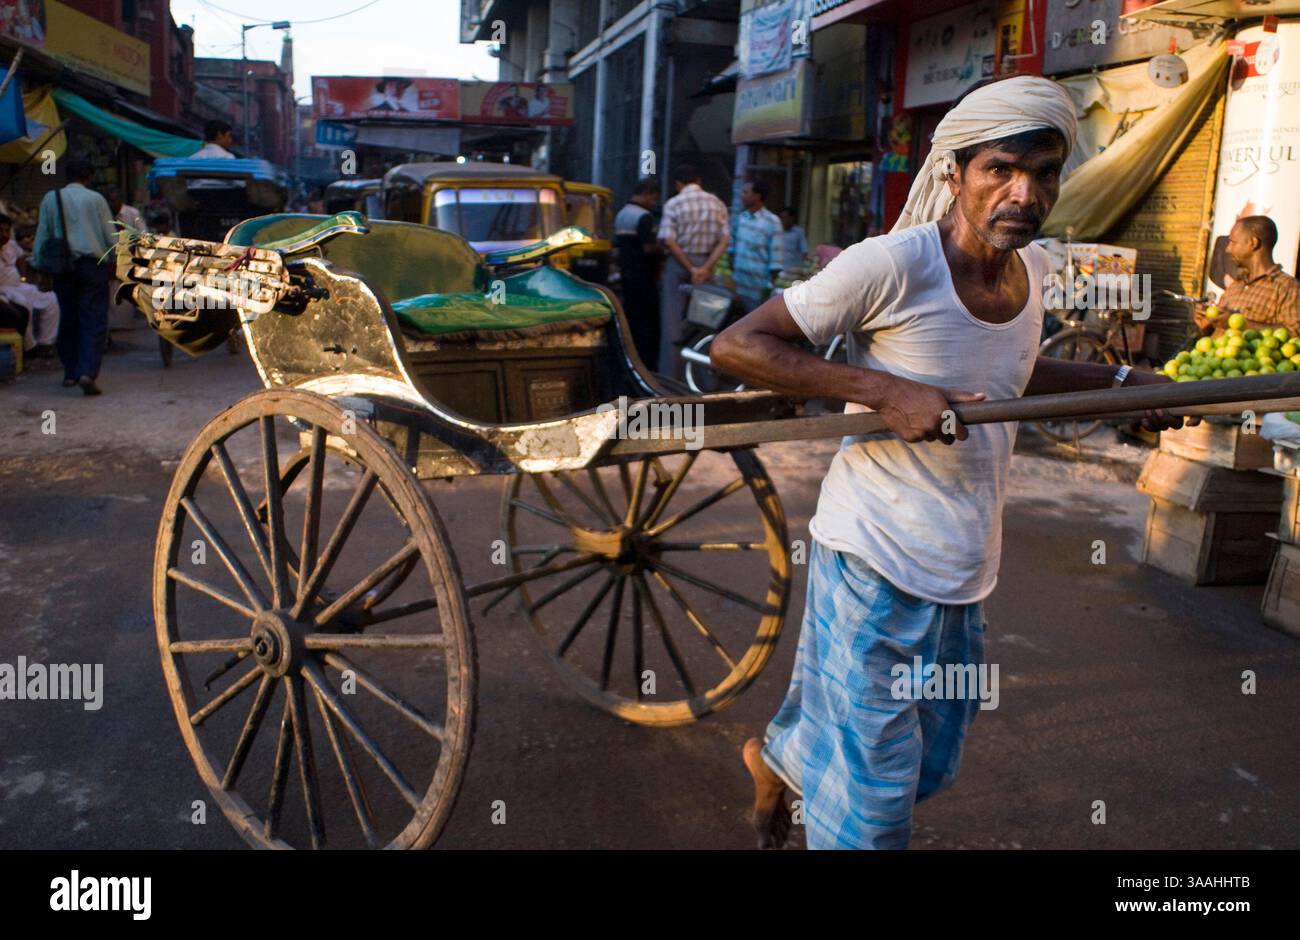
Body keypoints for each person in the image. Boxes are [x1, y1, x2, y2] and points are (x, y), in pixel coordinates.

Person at [711, 75, 1192, 850]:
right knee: (875, 798)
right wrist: (885, 390)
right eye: (999, 169)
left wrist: (1120, 382)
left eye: (1042, 173)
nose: (1023, 192)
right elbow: (739, 345)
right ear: (954, 173)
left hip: (965, 562)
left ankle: (775, 759)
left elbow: (1011, 373)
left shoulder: (1032, 272)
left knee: (929, 760)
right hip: (873, 553)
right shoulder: (891, 264)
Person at [32, 157, 116, 395]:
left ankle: (70, 373)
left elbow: (43, 234)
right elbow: (111, 238)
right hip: (93, 267)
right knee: (94, 320)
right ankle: (87, 372)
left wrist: (38, 264)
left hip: (63, 268)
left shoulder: (51, 198)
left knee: (67, 318)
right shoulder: (96, 199)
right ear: (89, 177)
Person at [656, 163, 729, 378]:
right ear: (698, 181)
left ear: (678, 184)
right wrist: (704, 268)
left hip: (679, 265)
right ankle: (702, 375)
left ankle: (670, 376)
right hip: (707, 265)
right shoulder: (717, 203)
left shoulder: (673, 203)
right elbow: (725, 239)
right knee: (707, 322)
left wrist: (690, 267)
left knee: (672, 323)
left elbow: (668, 239)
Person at [1195, 215, 1300, 335]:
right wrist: (1207, 326)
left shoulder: (1287, 287)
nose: (1228, 249)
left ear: (1253, 243)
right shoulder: (1235, 286)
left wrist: (1243, 324)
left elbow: (1295, 333)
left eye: (1233, 242)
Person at [613, 177, 662, 370]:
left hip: (627, 273)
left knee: (631, 317)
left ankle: (629, 357)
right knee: (646, 321)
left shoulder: (622, 214)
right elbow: (648, 248)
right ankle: (646, 361)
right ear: (647, 194)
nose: (654, 203)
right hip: (644, 275)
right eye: (653, 198)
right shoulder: (644, 216)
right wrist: (663, 250)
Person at [0, 214, 59, 357]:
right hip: (2, 290)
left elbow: (23, 256)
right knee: (23, 303)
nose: (4, 235)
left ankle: (46, 342)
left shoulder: (10, 245)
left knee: (51, 299)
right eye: (0, 231)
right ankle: (29, 347)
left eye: (7, 231)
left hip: (17, 286)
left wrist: (23, 269)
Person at [731, 179, 783, 313]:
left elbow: (776, 262)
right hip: (737, 286)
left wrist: (768, 290)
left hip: (757, 290)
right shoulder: (741, 218)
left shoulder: (772, 222)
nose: (742, 195)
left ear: (757, 196)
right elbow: (732, 249)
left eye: (746, 192)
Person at [777, 206, 808, 275]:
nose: (782, 220)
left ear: (792, 218)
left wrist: (800, 269)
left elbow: (804, 252)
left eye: (785, 217)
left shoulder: (799, 232)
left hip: (792, 271)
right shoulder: (776, 231)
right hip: (777, 269)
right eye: (781, 217)